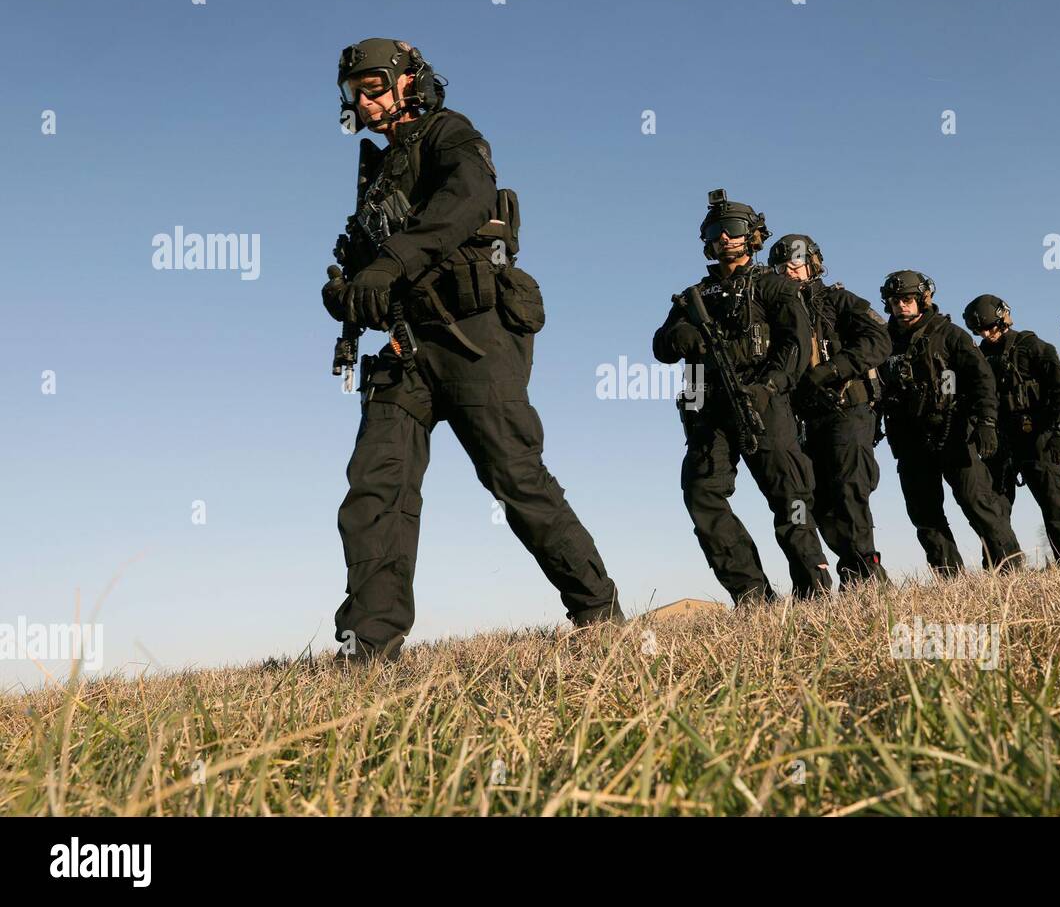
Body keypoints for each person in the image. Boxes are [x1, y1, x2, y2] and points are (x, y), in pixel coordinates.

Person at [323, 38, 622, 661]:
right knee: (375, 488)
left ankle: (598, 611)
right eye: (355, 92)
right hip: (406, 347)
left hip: (472, 333)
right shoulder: (377, 173)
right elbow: (365, 263)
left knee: (514, 475)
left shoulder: (450, 134)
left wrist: (391, 263)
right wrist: (349, 292)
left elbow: (467, 201)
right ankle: (369, 647)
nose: (365, 101)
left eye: (375, 85)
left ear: (410, 81)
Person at [652, 192, 831, 602]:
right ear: (708, 241)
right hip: (710, 408)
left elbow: (795, 345)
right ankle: (752, 596)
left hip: (764, 402)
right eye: (717, 231)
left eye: (734, 229)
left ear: (752, 236)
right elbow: (661, 347)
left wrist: (768, 387)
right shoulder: (693, 296)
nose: (727, 238)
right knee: (701, 493)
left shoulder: (773, 286)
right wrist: (680, 335)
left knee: (791, 496)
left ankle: (814, 591)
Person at [877, 271, 1022, 576]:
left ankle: (1010, 569)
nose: (901, 306)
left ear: (922, 299)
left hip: (954, 431)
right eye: (894, 301)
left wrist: (986, 422)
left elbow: (983, 380)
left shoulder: (950, 334)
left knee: (977, 502)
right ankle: (950, 578)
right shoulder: (882, 343)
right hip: (909, 439)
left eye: (907, 299)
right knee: (924, 513)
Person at [771, 234, 892, 586]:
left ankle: (868, 573)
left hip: (848, 408)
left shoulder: (839, 300)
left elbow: (878, 340)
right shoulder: (777, 312)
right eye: (783, 267)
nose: (791, 271)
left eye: (797, 263)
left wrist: (834, 368)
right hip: (805, 417)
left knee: (849, 487)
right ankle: (850, 568)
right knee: (819, 499)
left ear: (813, 263)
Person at [962, 295, 1060, 562]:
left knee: (1055, 504)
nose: (987, 334)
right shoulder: (978, 355)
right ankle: (1002, 567)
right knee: (994, 508)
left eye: (991, 327)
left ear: (1003, 320)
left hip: (1037, 435)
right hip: (999, 440)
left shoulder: (1031, 346)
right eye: (980, 331)